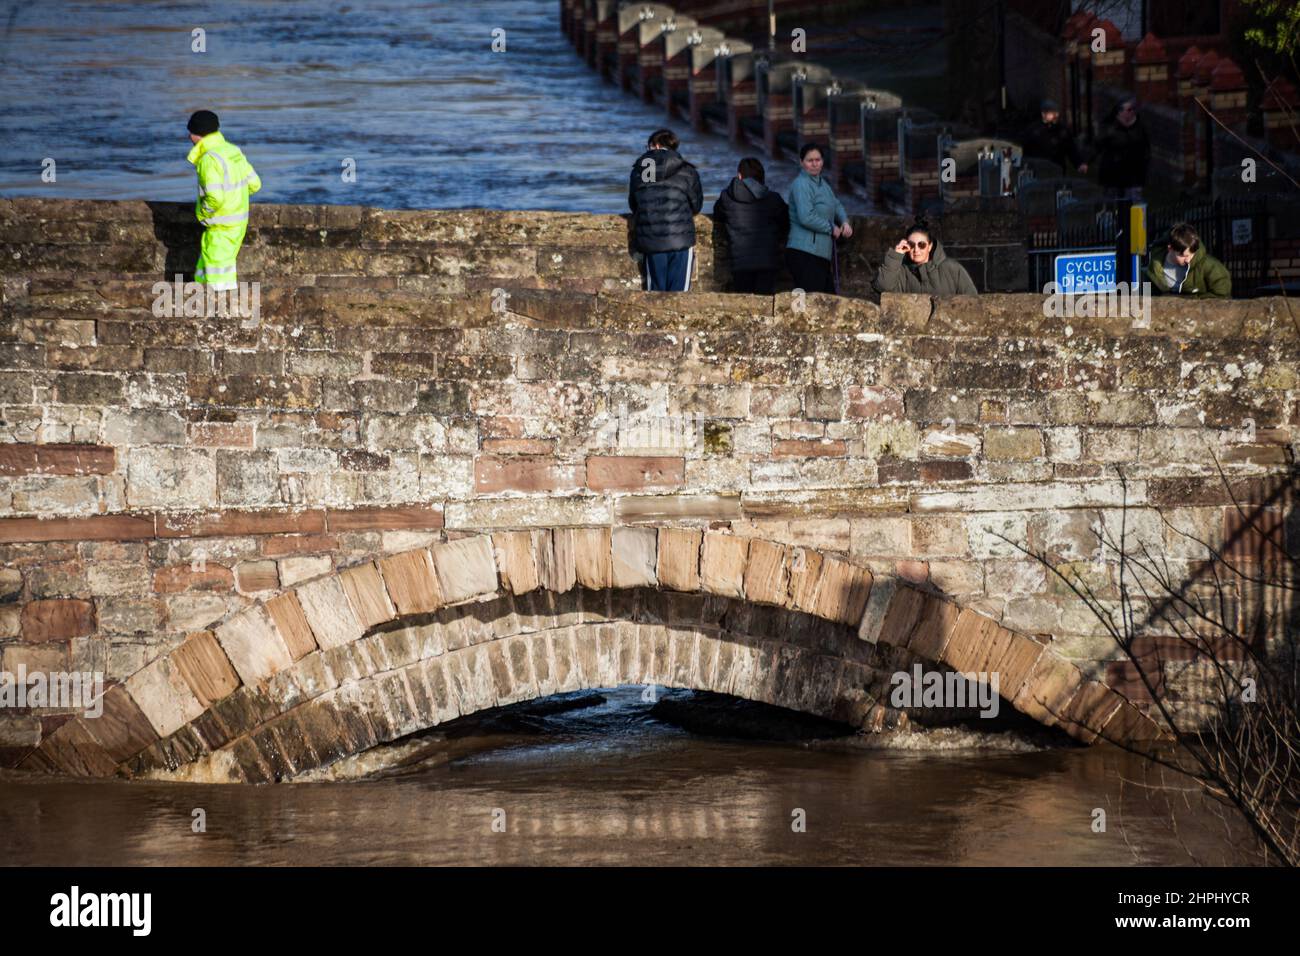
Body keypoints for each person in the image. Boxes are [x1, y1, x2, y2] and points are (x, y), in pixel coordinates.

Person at [186, 110, 261, 291]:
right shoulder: (232, 150)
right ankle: (201, 305)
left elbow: (215, 197)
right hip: (238, 222)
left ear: (196, 135)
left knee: (218, 279)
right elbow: (255, 184)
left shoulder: (208, 159)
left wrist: (203, 214)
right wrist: (235, 200)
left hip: (220, 225)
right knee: (210, 270)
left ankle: (218, 314)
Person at [628, 128, 704, 292]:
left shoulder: (640, 170)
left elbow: (634, 204)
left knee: (655, 294)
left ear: (654, 145)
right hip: (680, 239)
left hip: (651, 238)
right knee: (680, 295)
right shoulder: (687, 170)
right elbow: (696, 206)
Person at [712, 157, 789, 294]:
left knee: (744, 307)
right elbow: (786, 222)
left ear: (739, 175)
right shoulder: (773, 199)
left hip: (740, 262)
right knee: (764, 308)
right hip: (767, 261)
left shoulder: (727, 197)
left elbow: (717, 215)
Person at [785, 143, 852, 294]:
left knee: (827, 304)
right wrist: (831, 228)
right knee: (810, 306)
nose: (815, 164)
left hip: (820, 255)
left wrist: (845, 222)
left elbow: (837, 206)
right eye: (810, 160)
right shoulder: (801, 184)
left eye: (818, 159)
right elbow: (806, 217)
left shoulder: (824, 184)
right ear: (801, 162)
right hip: (804, 253)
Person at [872, 217, 978, 296]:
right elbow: (883, 288)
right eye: (912, 245)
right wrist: (896, 255)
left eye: (921, 245)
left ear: (930, 246)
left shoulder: (952, 269)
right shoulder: (900, 271)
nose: (916, 250)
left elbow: (972, 300)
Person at [1145, 222, 1231, 299]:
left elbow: (1223, 296)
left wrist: (1187, 300)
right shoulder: (1154, 265)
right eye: (1183, 256)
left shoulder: (1211, 266)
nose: (1188, 260)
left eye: (1191, 254)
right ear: (1170, 249)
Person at [1090, 95, 1149, 202]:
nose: (1132, 112)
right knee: (1112, 206)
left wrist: (1142, 173)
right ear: (1120, 111)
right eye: (1129, 109)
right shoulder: (1109, 128)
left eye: (1133, 109)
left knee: (1135, 207)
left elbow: (1145, 151)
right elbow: (1097, 147)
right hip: (1113, 176)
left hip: (1133, 177)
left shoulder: (1139, 128)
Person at [1021, 99, 1087, 174]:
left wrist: (1079, 163)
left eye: (1056, 113)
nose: (1055, 115)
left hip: (1057, 168)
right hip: (1038, 169)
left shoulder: (1062, 130)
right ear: (1043, 114)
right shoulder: (1033, 130)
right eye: (1051, 113)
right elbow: (1026, 150)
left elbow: (1071, 149)